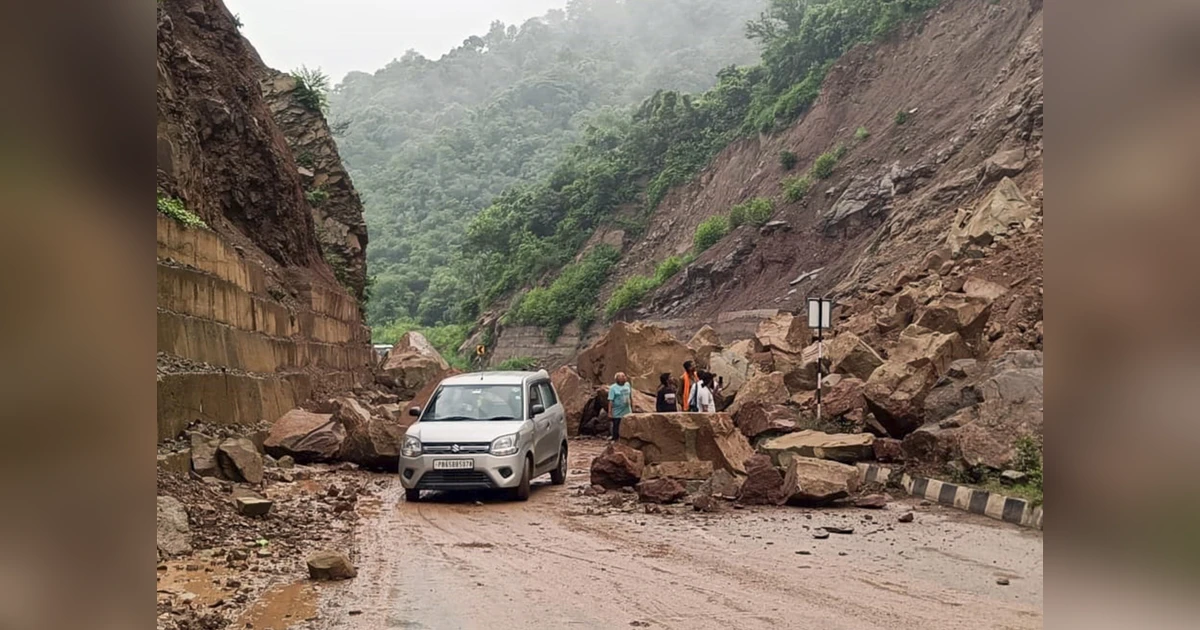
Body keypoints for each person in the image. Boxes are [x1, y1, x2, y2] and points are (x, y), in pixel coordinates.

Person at [607, 372, 633, 441]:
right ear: (618, 379)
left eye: (624, 376)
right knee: (616, 427)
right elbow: (610, 400)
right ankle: (615, 440)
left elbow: (630, 396)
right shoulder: (613, 388)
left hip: (627, 410)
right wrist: (609, 412)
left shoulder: (627, 385)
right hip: (617, 412)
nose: (625, 377)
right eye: (623, 376)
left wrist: (632, 405)